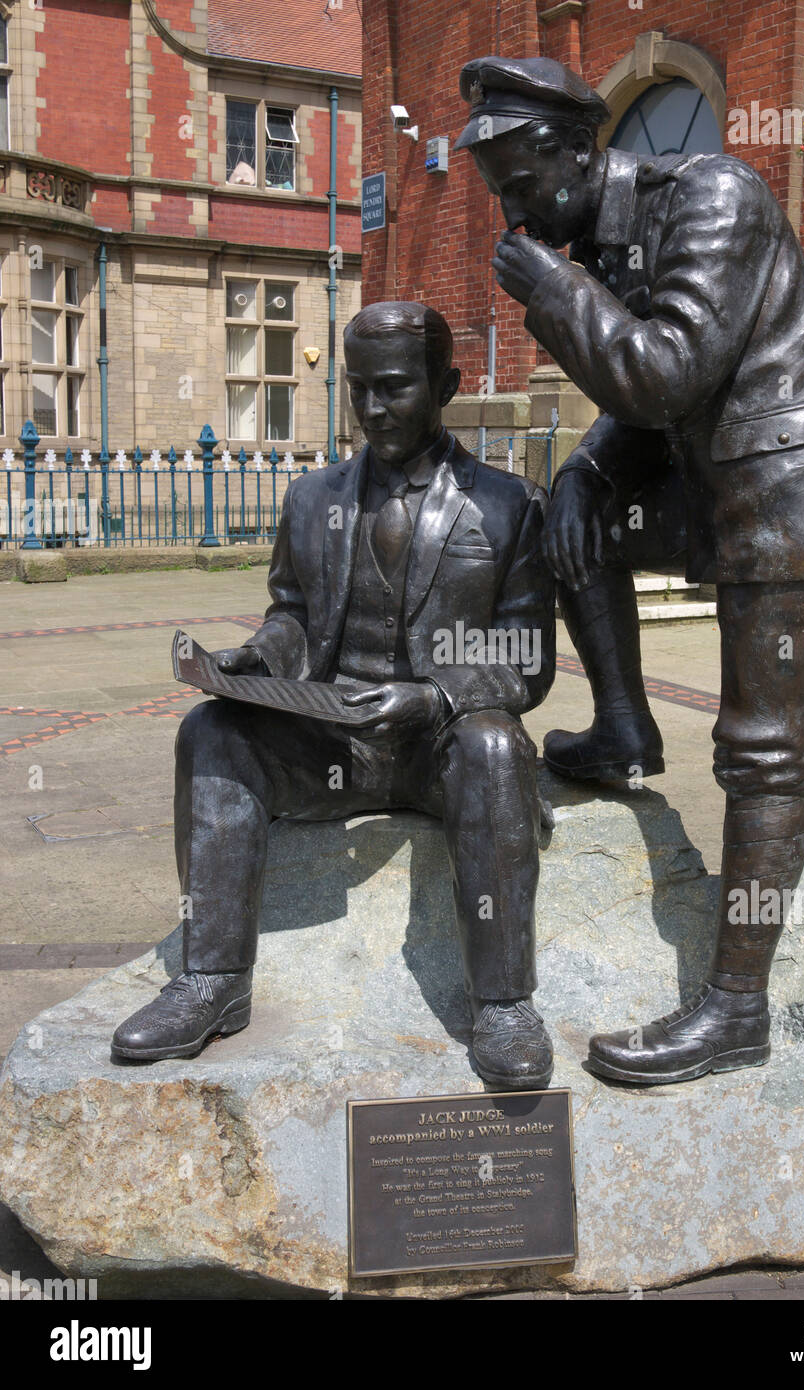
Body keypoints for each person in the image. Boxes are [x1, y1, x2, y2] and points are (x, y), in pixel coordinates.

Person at [457, 56, 804, 1085]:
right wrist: (592, 471)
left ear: (577, 150)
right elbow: (648, 406)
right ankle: (625, 726)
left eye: (520, 183)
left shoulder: (714, 196)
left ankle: (736, 1008)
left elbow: (666, 369)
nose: (512, 211)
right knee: (565, 512)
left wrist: (555, 293)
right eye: (497, 189)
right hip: (708, 475)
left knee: (765, 755)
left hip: (787, 493)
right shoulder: (601, 235)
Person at [112, 301, 556, 1091]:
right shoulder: (312, 498)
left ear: (446, 385)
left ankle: (503, 1001)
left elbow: (527, 659)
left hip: (438, 745)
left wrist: (432, 698)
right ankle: (212, 979)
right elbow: (291, 613)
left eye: (394, 389)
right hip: (330, 740)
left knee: (493, 745)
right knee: (211, 731)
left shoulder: (507, 505)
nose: (373, 409)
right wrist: (259, 655)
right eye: (358, 390)